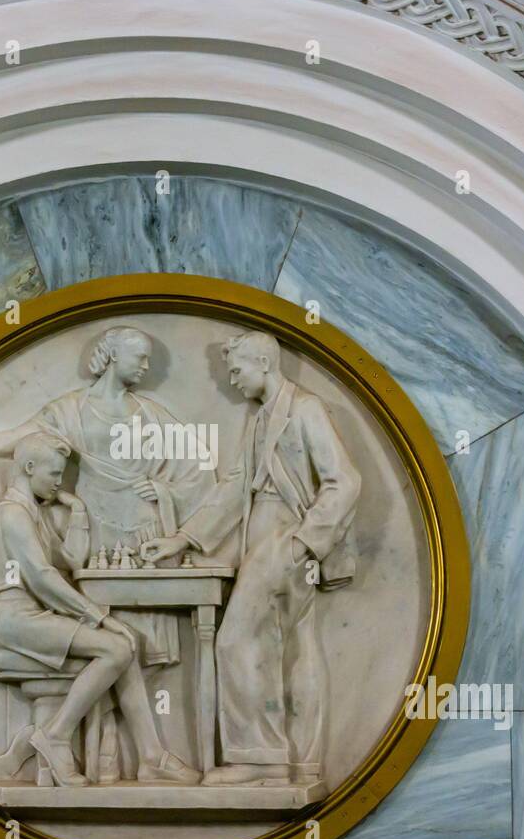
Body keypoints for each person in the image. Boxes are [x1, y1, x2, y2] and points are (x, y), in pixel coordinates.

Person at [142, 332, 361, 787]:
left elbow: (344, 481)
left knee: (235, 641)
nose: (233, 380)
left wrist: (304, 542)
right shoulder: (264, 417)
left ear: (263, 361)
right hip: (269, 541)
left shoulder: (304, 409)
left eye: (237, 370)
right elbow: (237, 484)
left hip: (285, 541)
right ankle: (301, 762)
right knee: (291, 646)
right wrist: (183, 538)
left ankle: (260, 758)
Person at [0, 326, 213, 668]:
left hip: (143, 533)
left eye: (149, 358)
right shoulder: (69, 411)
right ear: (114, 356)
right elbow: (16, 439)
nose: (146, 366)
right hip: (94, 532)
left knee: (143, 650)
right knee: (102, 640)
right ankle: (97, 721)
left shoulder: (152, 415)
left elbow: (201, 468)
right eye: (140, 356)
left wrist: (166, 491)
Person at [0, 432, 200, 787]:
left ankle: (150, 757)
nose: (58, 483)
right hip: (14, 617)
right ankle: (56, 735)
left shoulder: (31, 513)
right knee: (116, 645)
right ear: (29, 467)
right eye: (54, 474)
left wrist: (78, 511)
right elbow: (42, 578)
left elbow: (69, 559)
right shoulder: (12, 515)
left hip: (33, 615)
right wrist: (100, 617)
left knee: (124, 648)